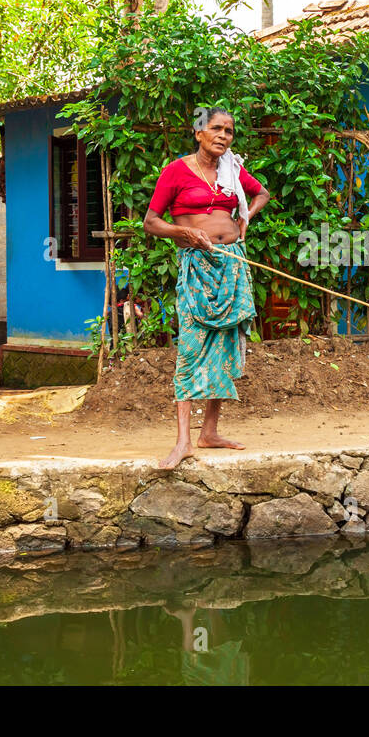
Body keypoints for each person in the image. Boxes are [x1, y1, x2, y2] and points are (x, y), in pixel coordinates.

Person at [143, 107, 271, 468]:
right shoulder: (176, 171)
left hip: (232, 264)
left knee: (227, 347)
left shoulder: (232, 169)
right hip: (198, 267)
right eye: (216, 129)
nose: (224, 136)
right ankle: (183, 440)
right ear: (198, 132)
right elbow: (151, 222)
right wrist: (183, 232)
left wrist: (245, 217)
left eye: (229, 131)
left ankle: (209, 432)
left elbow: (262, 194)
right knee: (191, 348)